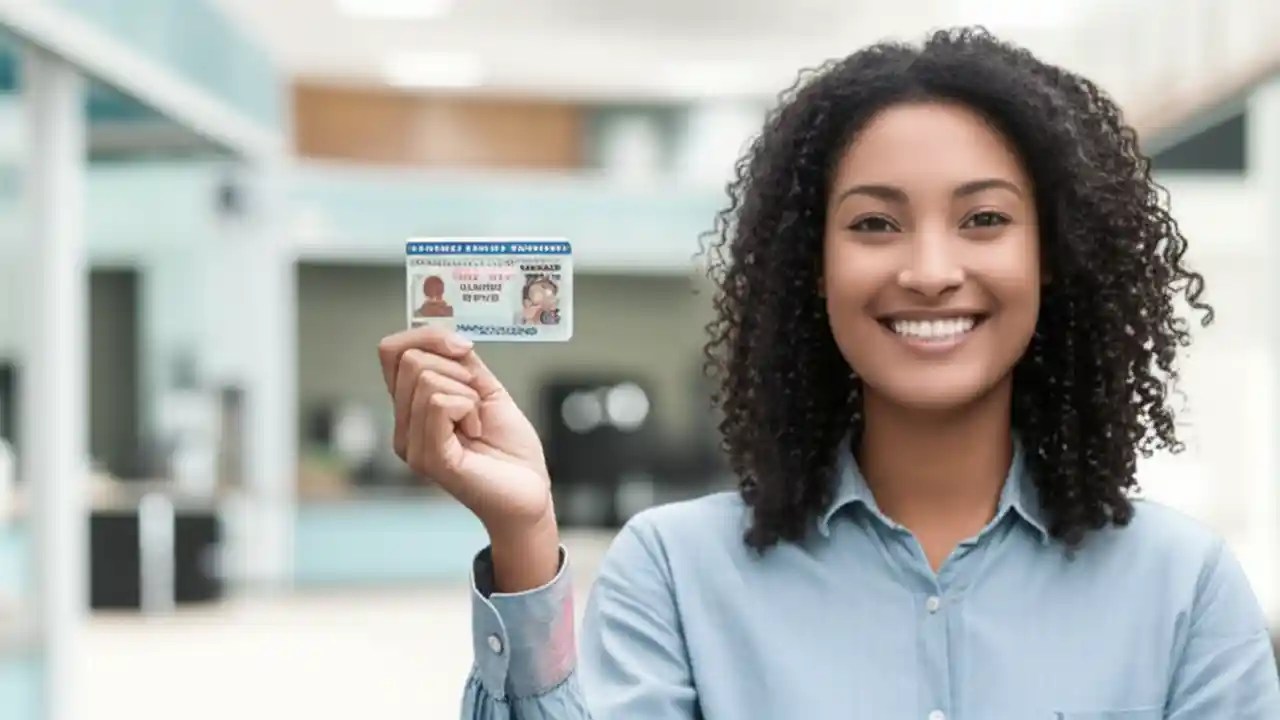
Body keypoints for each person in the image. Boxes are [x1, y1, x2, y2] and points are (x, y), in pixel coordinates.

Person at [377, 27, 1280, 719]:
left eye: (985, 219)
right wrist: (525, 534)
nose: (928, 268)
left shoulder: (1184, 588)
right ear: (814, 267)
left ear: (1053, 256)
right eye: (875, 224)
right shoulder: (675, 574)